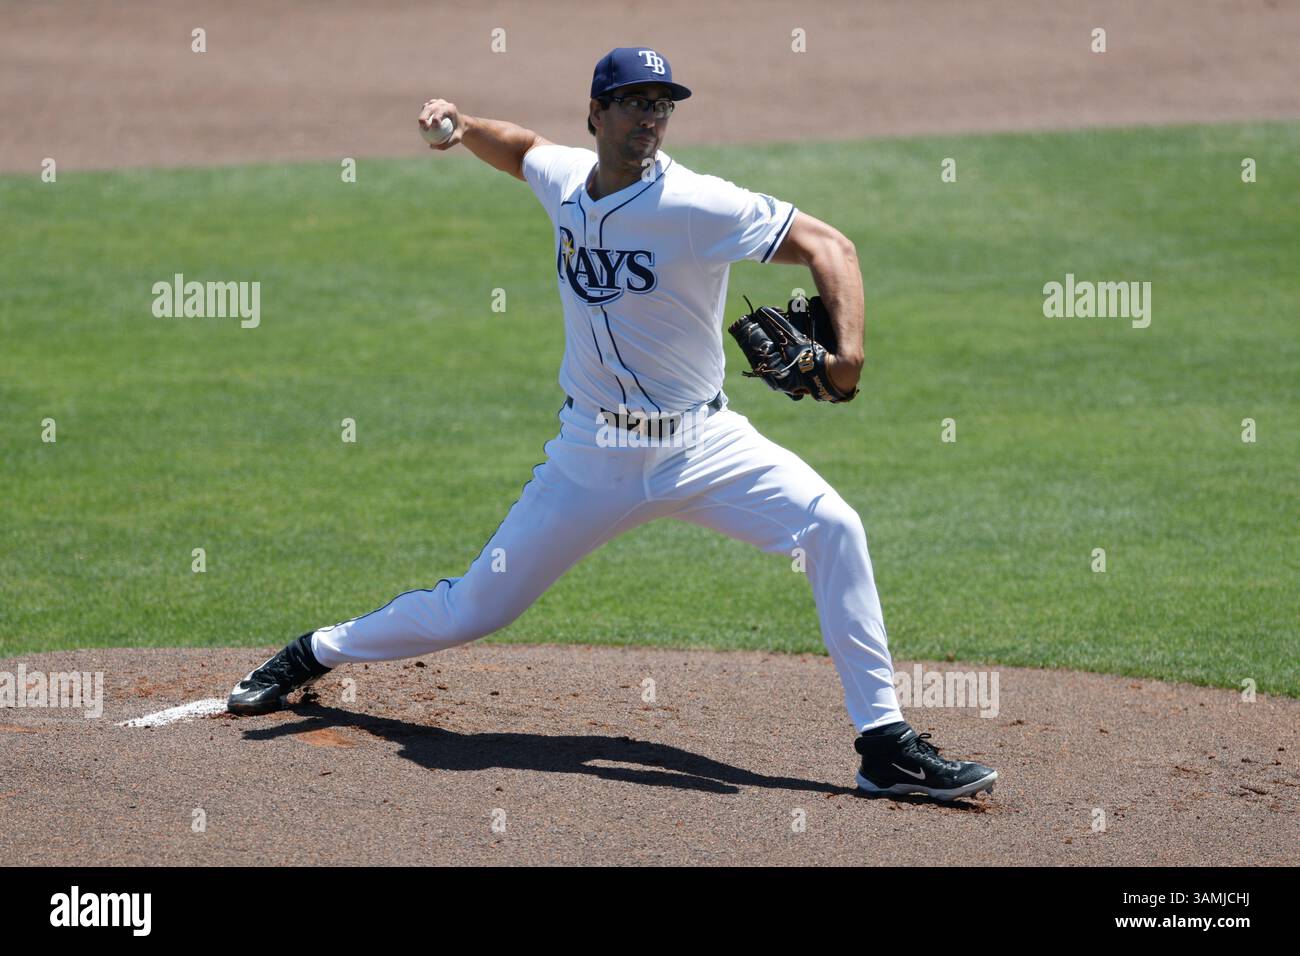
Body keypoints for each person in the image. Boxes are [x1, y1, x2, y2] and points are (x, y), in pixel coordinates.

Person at [228, 47, 997, 801]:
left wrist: (850, 357)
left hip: (705, 446)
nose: (651, 118)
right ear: (595, 112)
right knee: (475, 607)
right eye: (634, 102)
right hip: (592, 456)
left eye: (662, 105)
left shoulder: (697, 204)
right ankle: (312, 652)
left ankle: (885, 748)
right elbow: (524, 150)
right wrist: (462, 128)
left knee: (834, 526)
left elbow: (831, 245)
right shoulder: (568, 178)